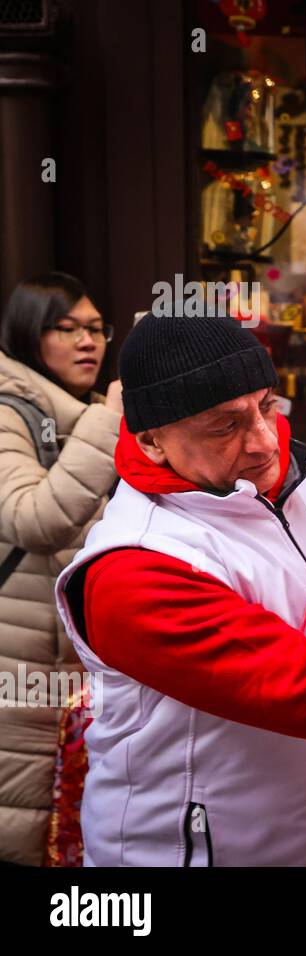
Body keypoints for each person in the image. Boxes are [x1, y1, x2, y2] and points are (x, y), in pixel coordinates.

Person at [53, 314, 306, 866]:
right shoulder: (136, 568)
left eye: (266, 405)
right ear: (151, 440)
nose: (263, 441)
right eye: (225, 426)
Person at [0, 273, 122, 866]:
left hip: (72, 675)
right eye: (66, 328)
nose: (87, 342)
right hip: (17, 671)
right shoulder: (7, 412)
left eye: (96, 328)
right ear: (29, 336)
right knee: (22, 828)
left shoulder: (88, 417)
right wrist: (106, 427)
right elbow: (31, 520)